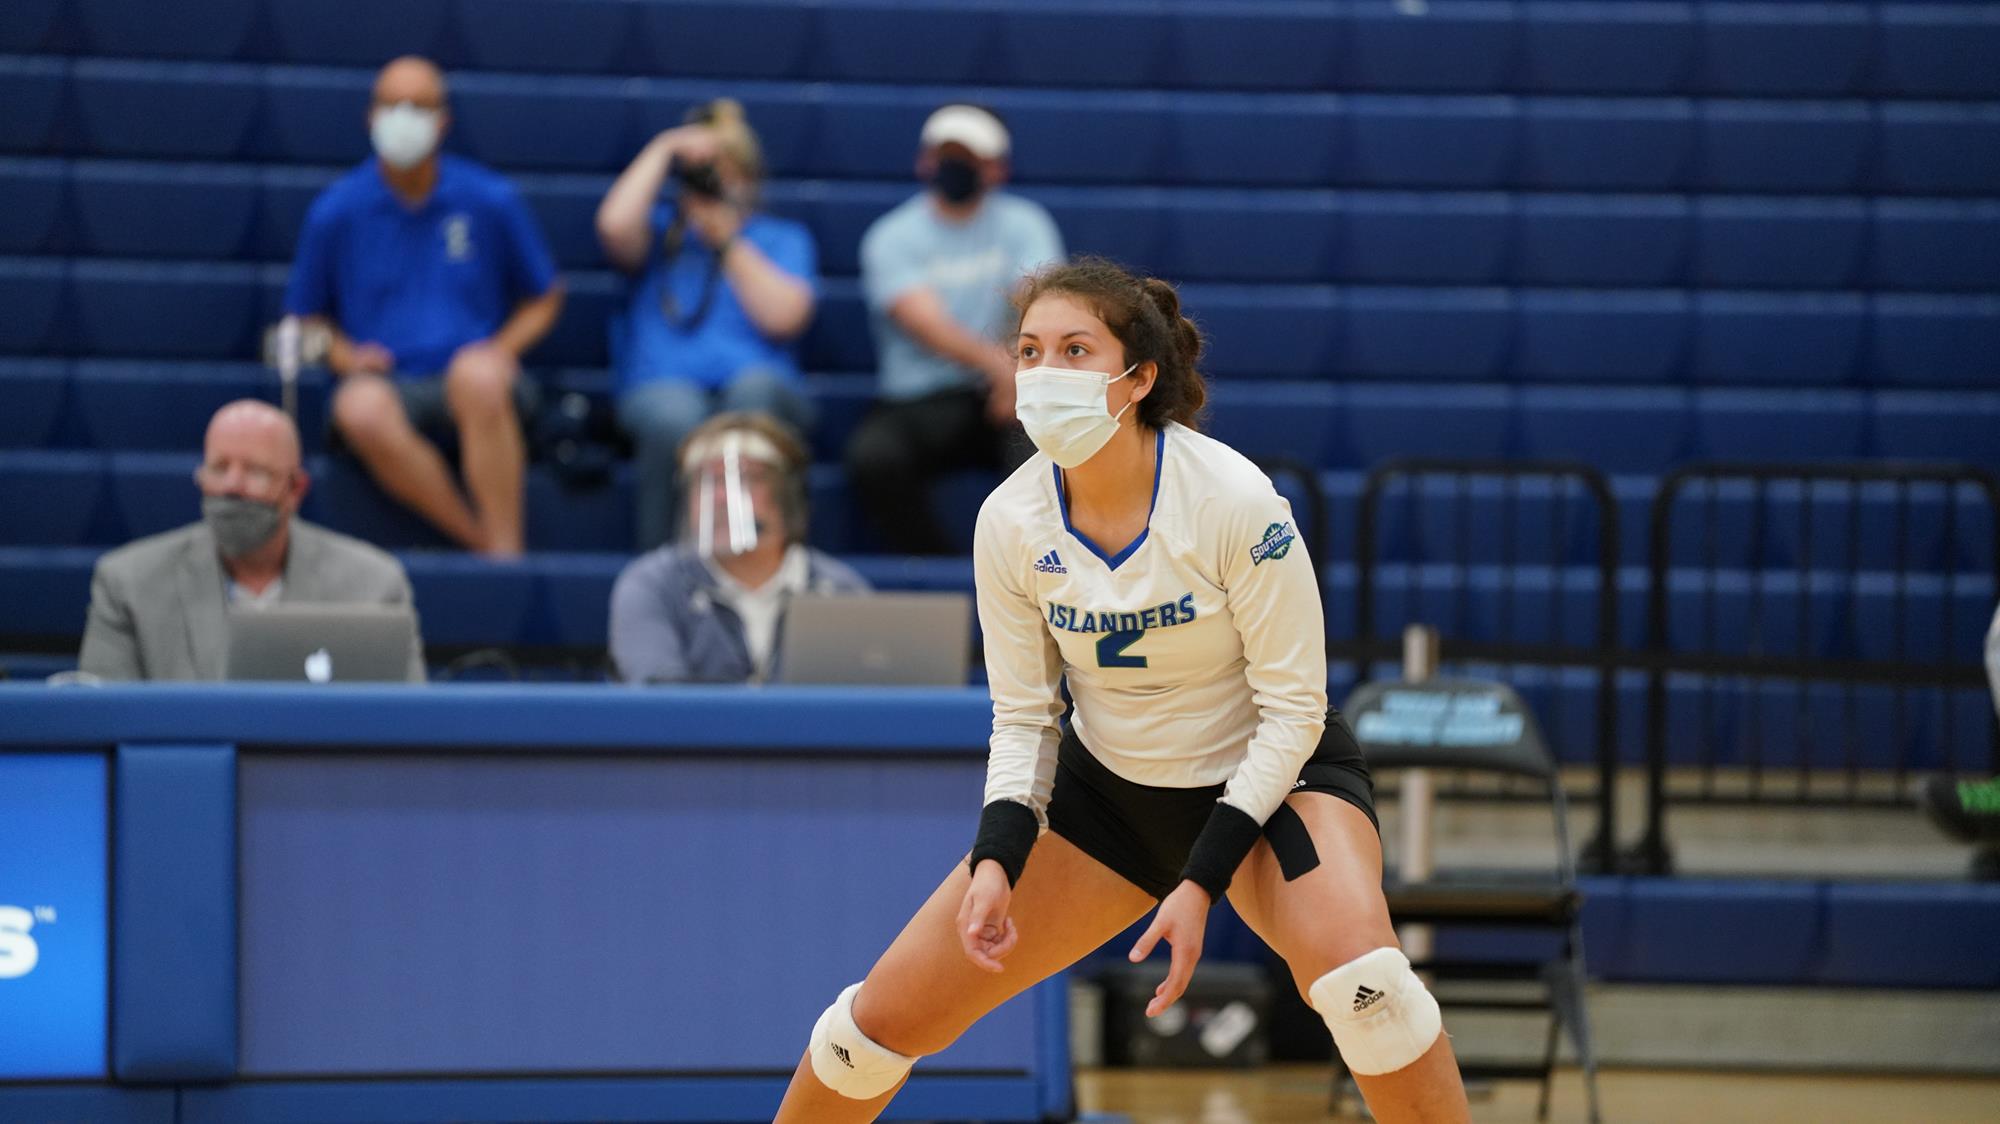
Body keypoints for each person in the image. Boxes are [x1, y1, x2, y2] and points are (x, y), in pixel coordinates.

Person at [775, 260, 1471, 1123]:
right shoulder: (1011, 520)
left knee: (1370, 989)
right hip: (1106, 802)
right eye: (1029, 351)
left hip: (1269, 787)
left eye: (1075, 349)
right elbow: (1026, 716)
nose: (1044, 372)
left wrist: (1200, 881)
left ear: (1137, 379)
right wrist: (996, 857)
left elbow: (1296, 710)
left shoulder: (1232, 498)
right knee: (866, 1029)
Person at [284, 55, 565, 558]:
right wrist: (347, 357)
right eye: (392, 104)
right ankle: (485, 547)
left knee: (478, 377)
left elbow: (546, 295)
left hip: (473, 374)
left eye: (419, 105)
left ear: (443, 121)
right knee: (359, 407)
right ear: (371, 116)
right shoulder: (337, 209)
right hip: (388, 378)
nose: (404, 116)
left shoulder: (489, 198)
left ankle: (506, 548)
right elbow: (305, 318)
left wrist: (502, 348)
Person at [596, 99, 820, 551]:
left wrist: (726, 241)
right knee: (676, 418)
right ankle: (666, 566)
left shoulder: (781, 238)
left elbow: (785, 318)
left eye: (725, 170)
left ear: (750, 178)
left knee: (750, 402)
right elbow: (614, 225)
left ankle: (761, 555)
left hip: (757, 386)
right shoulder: (659, 233)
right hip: (664, 388)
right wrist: (667, 147)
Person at [844, 103, 1065, 554]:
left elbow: (1041, 303)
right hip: (920, 399)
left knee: (1051, 449)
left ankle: (1040, 575)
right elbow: (927, 325)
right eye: (947, 154)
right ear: (925, 160)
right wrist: (1004, 368)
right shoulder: (893, 236)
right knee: (874, 457)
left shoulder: (1026, 223)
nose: (955, 167)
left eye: (970, 158)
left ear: (997, 169)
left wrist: (1017, 375)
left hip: (1007, 396)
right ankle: (937, 574)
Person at [78, 400, 424, 682]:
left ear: (295, 490)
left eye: (255, 471)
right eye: (219, 467)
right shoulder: (129, 583)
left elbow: (407, 728)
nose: (232, 486)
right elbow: (103, 723)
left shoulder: (373, 585)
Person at [607, 412, 867, 684]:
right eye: (704, 482)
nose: (719, 498)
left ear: (790, 496)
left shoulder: (840, 590)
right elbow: (659, 704)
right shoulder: (654, 583)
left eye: (743, 480)